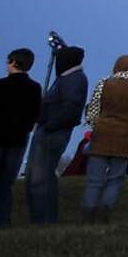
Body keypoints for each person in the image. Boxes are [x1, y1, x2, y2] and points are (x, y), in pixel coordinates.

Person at [83, 55, 128, 223]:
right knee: (115, 178)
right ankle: (106, 208)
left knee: (94, 179)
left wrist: (96, 124)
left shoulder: (104, 84)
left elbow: (93, 109)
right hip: (125, 135)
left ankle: (89, 211)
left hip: (102, 134)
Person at [25, 45, 87, 225]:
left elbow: (70, 108)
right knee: (43, 176)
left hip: (52, 132)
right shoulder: (67, 79)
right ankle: (44, 218)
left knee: (38, 177)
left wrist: (49, 125)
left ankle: (42, 219)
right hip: (51, 129)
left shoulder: (74, 80)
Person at [0, 48, 42, 226]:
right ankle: (3, 220)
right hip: (18, 140)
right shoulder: (34, 88)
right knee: (6, 184)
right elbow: (35, 114)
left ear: (13, 62)